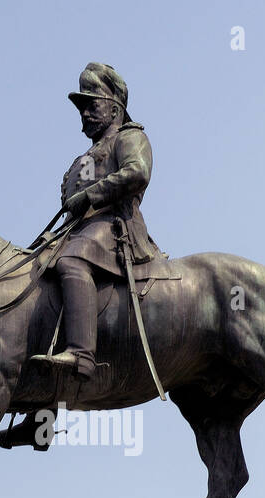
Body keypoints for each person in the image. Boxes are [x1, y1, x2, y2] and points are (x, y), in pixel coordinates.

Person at [32, 62, 165, 379]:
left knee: (70, 262)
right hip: (78, 232)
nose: (85, 116)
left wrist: (91, 196)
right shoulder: (81, 160)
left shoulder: (129, 138)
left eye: (92, 105)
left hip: (115, 228)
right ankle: (38, 413)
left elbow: (137, 172)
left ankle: (81, 355)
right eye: (82, 110)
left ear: (115, 106)